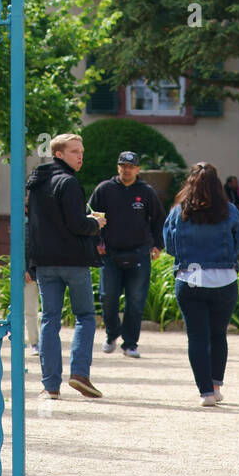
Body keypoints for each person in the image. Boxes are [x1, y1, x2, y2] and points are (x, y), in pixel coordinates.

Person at [25, 132, 106, 399]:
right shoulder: (69, 182)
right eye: (74, 151)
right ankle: (79, 374)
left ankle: (50, 386)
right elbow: (77, 224)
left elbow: (31, 226)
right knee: (84, 317)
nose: (80, 155)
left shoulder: (36, 184)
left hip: (46, 262)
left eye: (81, 151)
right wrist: (95, 223)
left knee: (50, 320)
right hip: (73, 260)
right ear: (58, 154)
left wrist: (29, 262)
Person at [163, 162, 239, 407]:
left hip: (191, 278)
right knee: (218, 334)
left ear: (189, 183)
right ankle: (216, 385)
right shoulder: (230, 211)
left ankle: (205, 393)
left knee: (197, 337)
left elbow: (168, 245)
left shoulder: (178, 211)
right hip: (224, 279)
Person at [89, 150, 165, 359]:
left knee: (136, 300)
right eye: (123, 166)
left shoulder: (146, 192)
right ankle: (112, 334)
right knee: (108, 297)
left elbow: (159, 219)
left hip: (140, 252)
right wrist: (97, 242)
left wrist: (157, 245)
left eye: (131, 166)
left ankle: (130, 343)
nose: (127, 170)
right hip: (110, 253)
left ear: (137, 169)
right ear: (118, 167)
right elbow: (91, 217)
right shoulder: (105, 189)